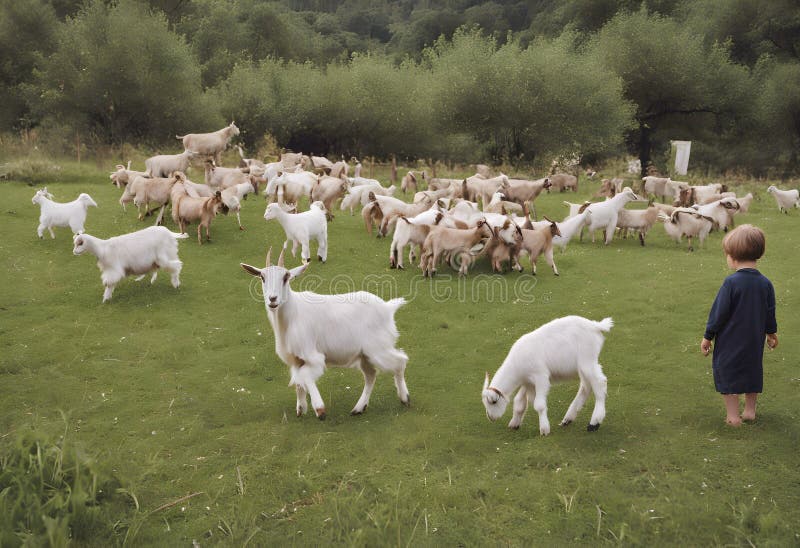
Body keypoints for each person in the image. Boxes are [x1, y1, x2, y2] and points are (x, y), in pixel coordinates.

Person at [701, 224, 778, 426]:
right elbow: (770, 312)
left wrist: (708, 336)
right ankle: (750, 411)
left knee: (728, 371)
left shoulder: (731, 283)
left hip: (730, 341)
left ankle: (733, 417)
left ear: (733, 256)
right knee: (752, 370)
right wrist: (771, 333)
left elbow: (718, 313)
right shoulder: (765, 283)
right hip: (754, 340)